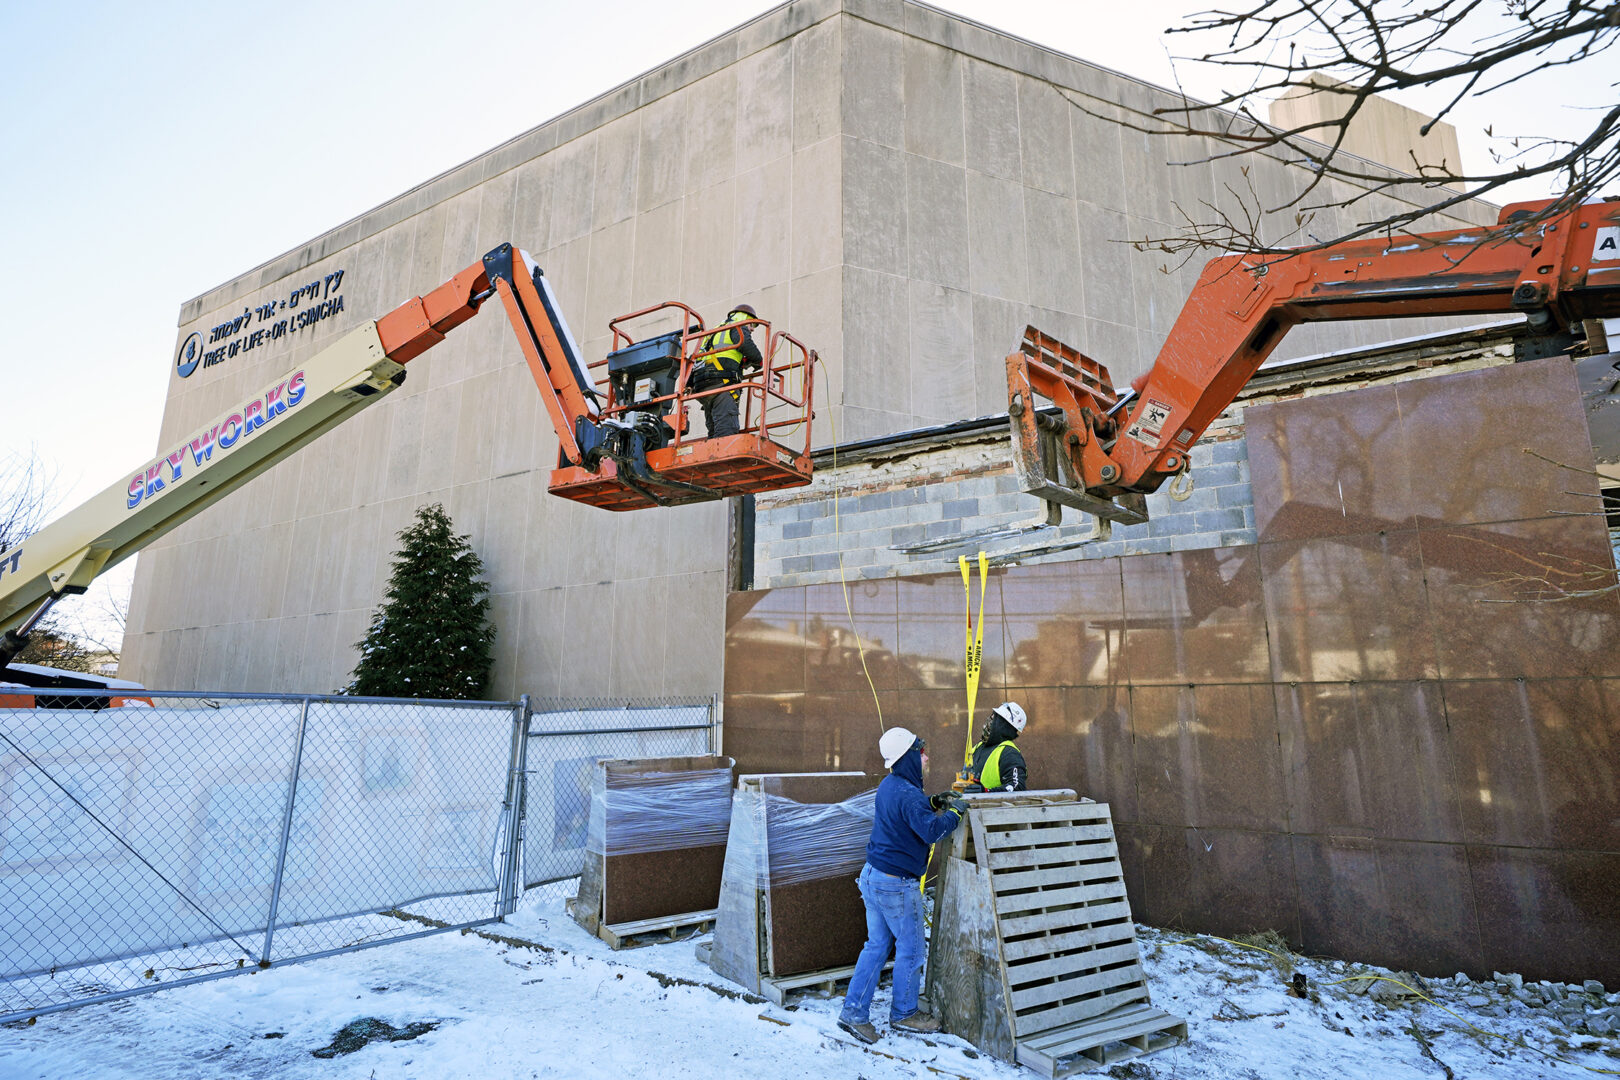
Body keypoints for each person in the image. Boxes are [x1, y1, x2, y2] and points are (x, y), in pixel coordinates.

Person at [838, 727, 965, 1045]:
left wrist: (932, 801)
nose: (927, 758)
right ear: (908, 757)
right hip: (896, 884)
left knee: (876, 946)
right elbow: (931, 831)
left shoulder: (891, 785)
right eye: (921, 752)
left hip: (873, 876)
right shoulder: (907, 793)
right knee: (911, 949)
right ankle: (905, 1013)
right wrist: (953, 814)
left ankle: (853, 1012)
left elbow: (909, 814)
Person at [690, 303, 762, 437]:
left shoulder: (713, 332)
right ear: (744, 318)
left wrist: (689, 384)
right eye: (752, 324)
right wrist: (759, 360)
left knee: (714, 430)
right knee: (726, 430)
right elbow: (745, 344)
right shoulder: (738, 326)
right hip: (721, 383)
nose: (752, 329)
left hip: (702, 385)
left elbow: (695, 358)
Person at [960, 701, 1028, 792]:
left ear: (1004, 725)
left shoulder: (1009, 754)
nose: (989, 722)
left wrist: (987, 791)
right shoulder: (978, 747)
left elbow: (1017, 788)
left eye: (994, 719)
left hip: (991, 802)